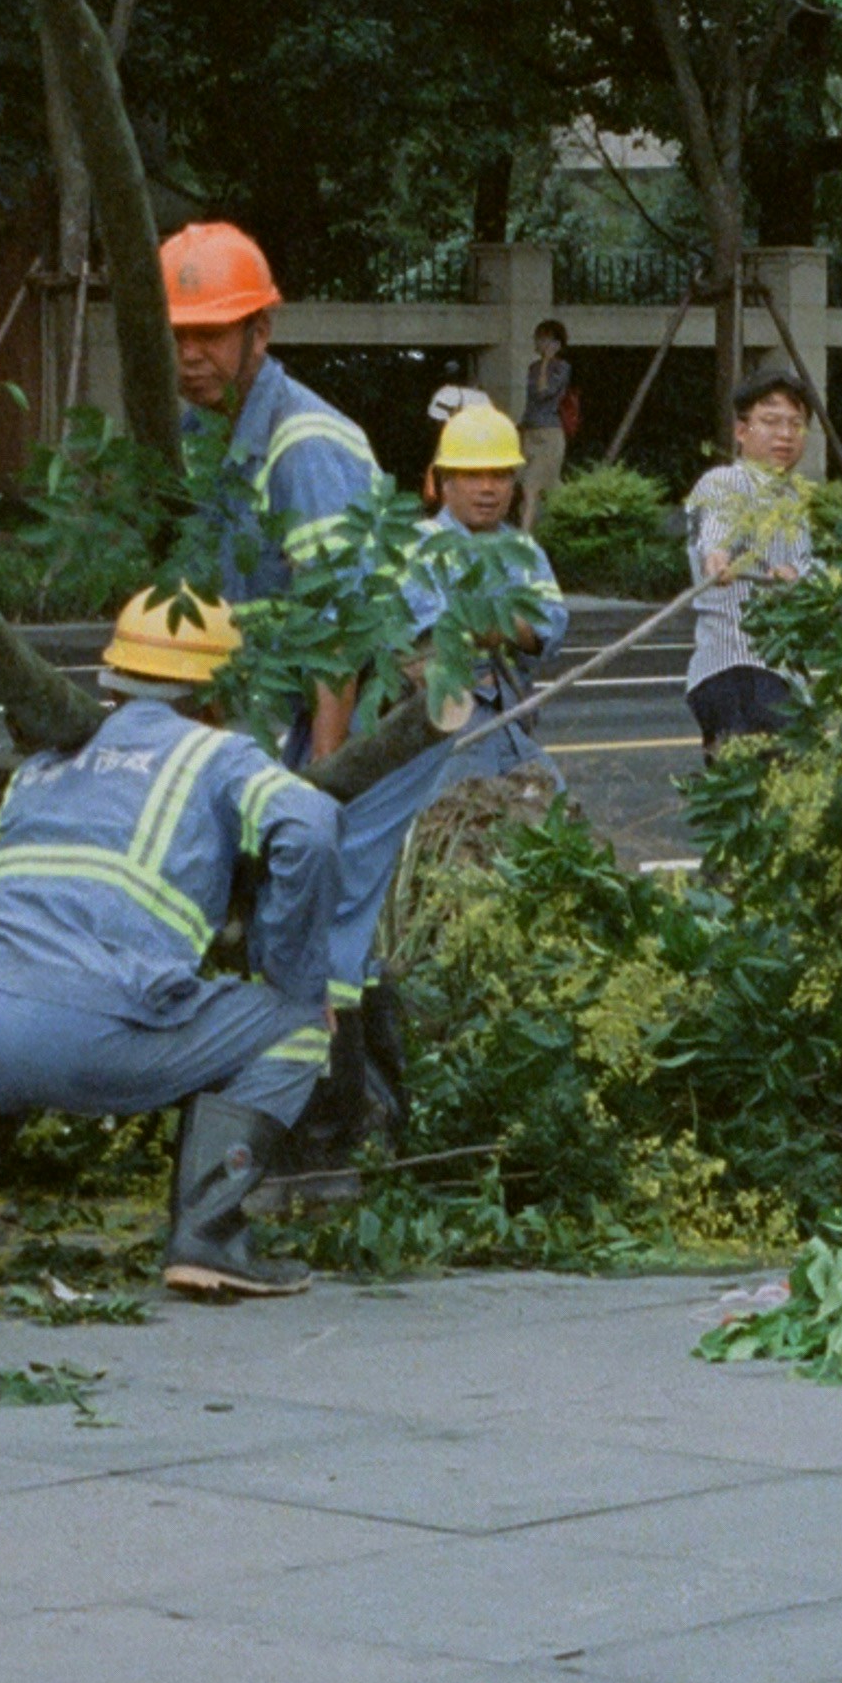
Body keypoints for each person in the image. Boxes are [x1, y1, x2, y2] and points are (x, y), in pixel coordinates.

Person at [0, 585, 338, 1304]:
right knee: (293, 1027)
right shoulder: (218, 753)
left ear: (113, 679)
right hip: (78, 1033)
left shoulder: (43, 762)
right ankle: (208, 1237)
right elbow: (313, 827)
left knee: (12, 996)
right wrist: (291, 970)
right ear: (220, 688)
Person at [312, 394, 571, 1150]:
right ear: (440, 482)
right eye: (470, 476)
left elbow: (541, 631)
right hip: (443, 739)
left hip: (511, 731)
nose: (486, 489)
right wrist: (494, 619)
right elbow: (436, 629)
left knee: (551, 844)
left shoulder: (525, 553)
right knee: (441, 866)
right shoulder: (415, 551)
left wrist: (486, 618)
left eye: (498, 476)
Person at [164, 218, 383, 764]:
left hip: (366, 715)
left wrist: (320, 792)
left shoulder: (303, 447)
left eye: (209, 334)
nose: (189, 355)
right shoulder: (199, 438)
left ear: (258, 333)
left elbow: (340, 637)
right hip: (280, 711)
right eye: (176, 336)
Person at [683, 370, 817, 753]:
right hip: (738, 669)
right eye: (771, 422)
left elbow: (808, 568)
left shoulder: (792, 500)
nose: (786, 435)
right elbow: (717, 527)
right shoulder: (727, 481)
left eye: (796, 424)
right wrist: (717, 557)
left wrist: (801, 577)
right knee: (763, 785)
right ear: (741, 431)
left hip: (779, 674)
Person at [516, 320, 579, 535]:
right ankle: (571, 525)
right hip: (530, 432)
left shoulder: (562, 368)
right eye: (538, 337)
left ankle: (524, 539)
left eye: (545, 338)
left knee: (531, 487)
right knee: (537, 486)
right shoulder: (531, 368)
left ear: (556, 344)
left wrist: (546, 362)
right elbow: (532, 399)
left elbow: (544, 392)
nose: (539, 342)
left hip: (549, 434)